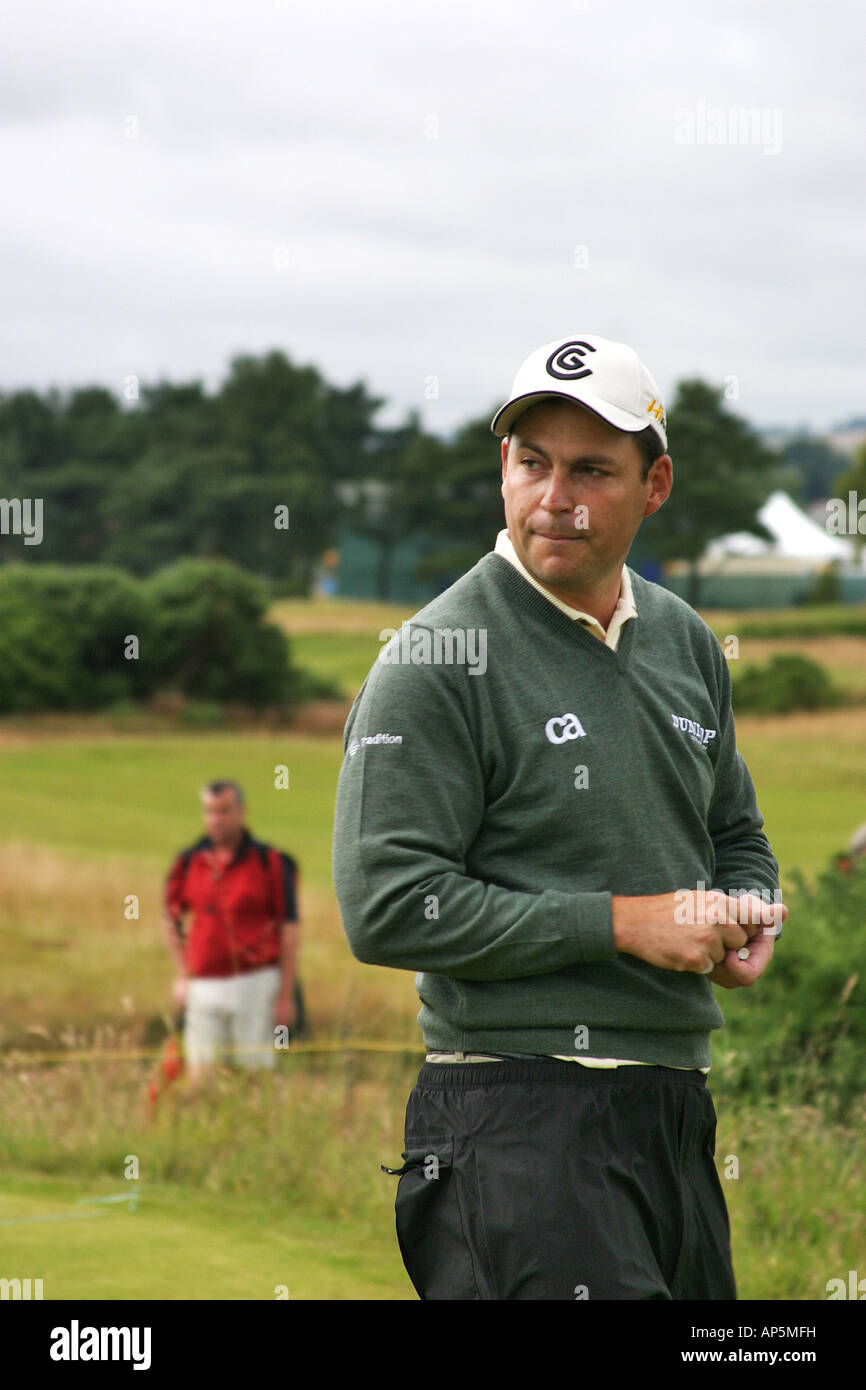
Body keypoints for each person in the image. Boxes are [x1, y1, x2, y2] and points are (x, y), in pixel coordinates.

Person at [332, 333, 788, 1300]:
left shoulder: (685, 640)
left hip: (671, 1104)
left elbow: (735, 831)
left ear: (654, 484)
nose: (554, 499)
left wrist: (750, 907)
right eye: (532, 463)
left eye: (591, 471)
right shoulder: (433, 659)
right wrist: (627, 923)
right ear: (504, 466)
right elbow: (388, 907)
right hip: (512, 1113)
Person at [164, 779, 303, 1079]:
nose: (216, 819)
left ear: (241, 811)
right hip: (203, 983)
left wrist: (285, 994)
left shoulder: (270, 863)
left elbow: (289, 931)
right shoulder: (188, 862)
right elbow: (171, 919)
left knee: (256, 1075)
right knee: (201, 1077)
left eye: (224, 811)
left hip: (256, 982)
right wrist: (181, 974)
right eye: (210, 811)